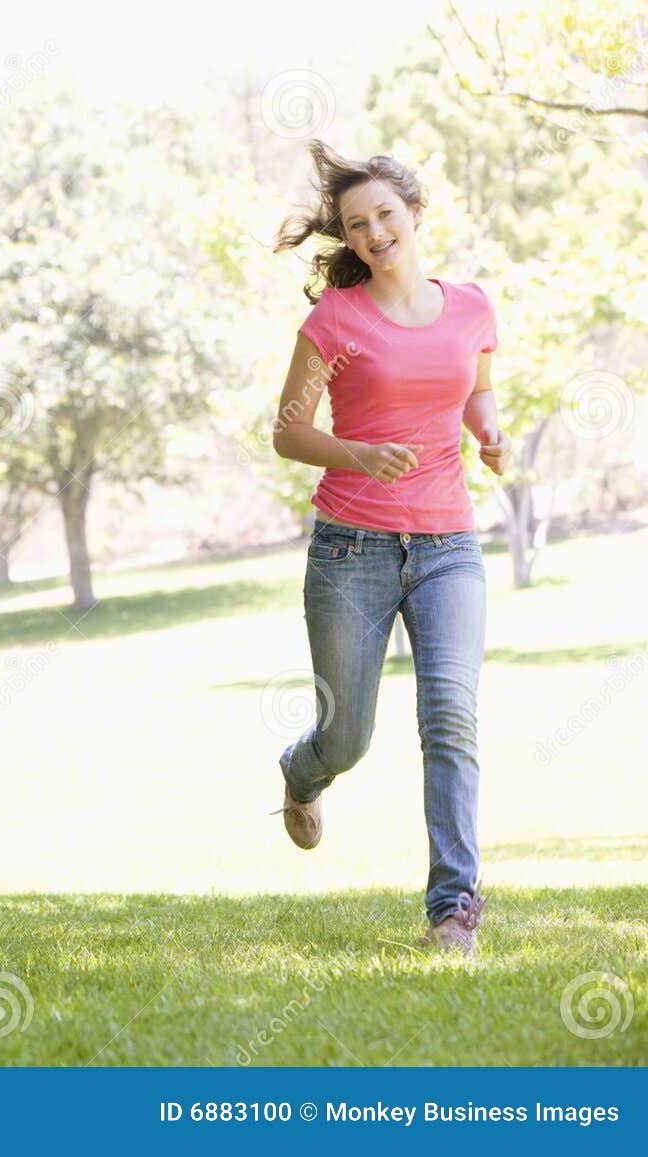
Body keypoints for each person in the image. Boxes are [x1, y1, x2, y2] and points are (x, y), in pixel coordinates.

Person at [271, 142, 508, 954]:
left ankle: (453, 907)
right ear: (346, 237)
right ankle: (303, 775)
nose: (374, 231)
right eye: (356, 224)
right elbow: (290, 432)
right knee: (349, 737)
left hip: (448, 543)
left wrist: (492, 434)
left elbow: (475, 392)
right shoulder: (334, 320)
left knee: (451, 717)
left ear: (415, 211)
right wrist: (359, 453)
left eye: (385, 215)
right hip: (352, 550)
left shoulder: (473, 306)